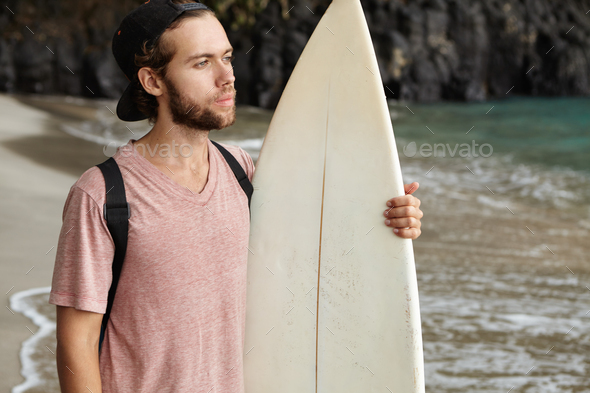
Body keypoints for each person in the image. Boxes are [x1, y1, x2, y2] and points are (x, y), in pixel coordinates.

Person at [49, 0, 424, 392]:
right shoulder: (104, 196)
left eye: (226, 57)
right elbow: (76, 342)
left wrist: (389, 218)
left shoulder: (240, 171)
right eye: (202, 63)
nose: (226, 76)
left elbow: (317, 244)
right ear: (153, 82)